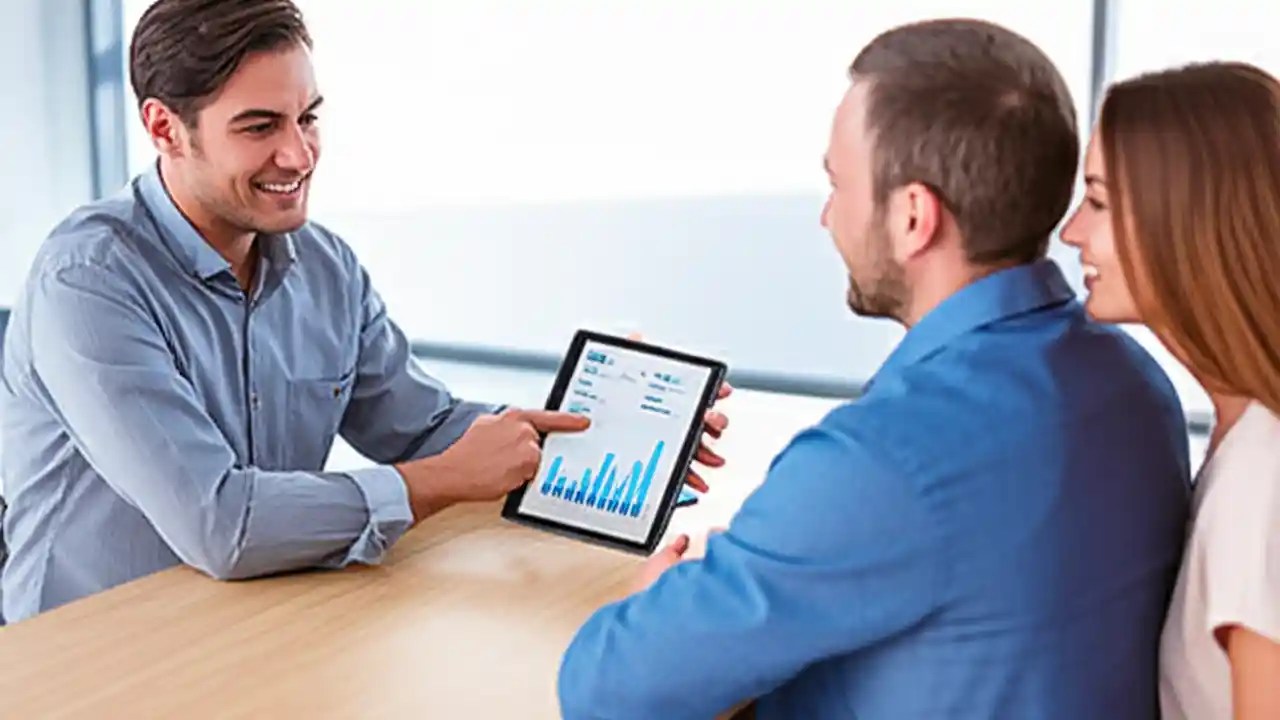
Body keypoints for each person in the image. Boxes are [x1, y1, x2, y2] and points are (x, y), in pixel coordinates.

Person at [0, 0, 728, 624]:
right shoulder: (89, 280)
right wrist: (434, 482)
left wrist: (612, 438)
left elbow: (424, 426)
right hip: (88, 658)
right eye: (259, 128)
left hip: (259, 622)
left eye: (307, 118)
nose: (298, 153)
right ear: (164, 128)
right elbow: (220, 523)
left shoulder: (324, 266)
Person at [557, 18, 1191, 720]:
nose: (827, 217)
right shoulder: (1134, 384)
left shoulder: (884, 458)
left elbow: (609, 688)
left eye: (838, 183)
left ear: (915, 216)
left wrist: (660, 603)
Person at [1060, 60, 1280, 720]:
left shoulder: (1262, 483)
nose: (1072, 232)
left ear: (1185, 217)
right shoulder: (1241, 435)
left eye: (1097, 201)